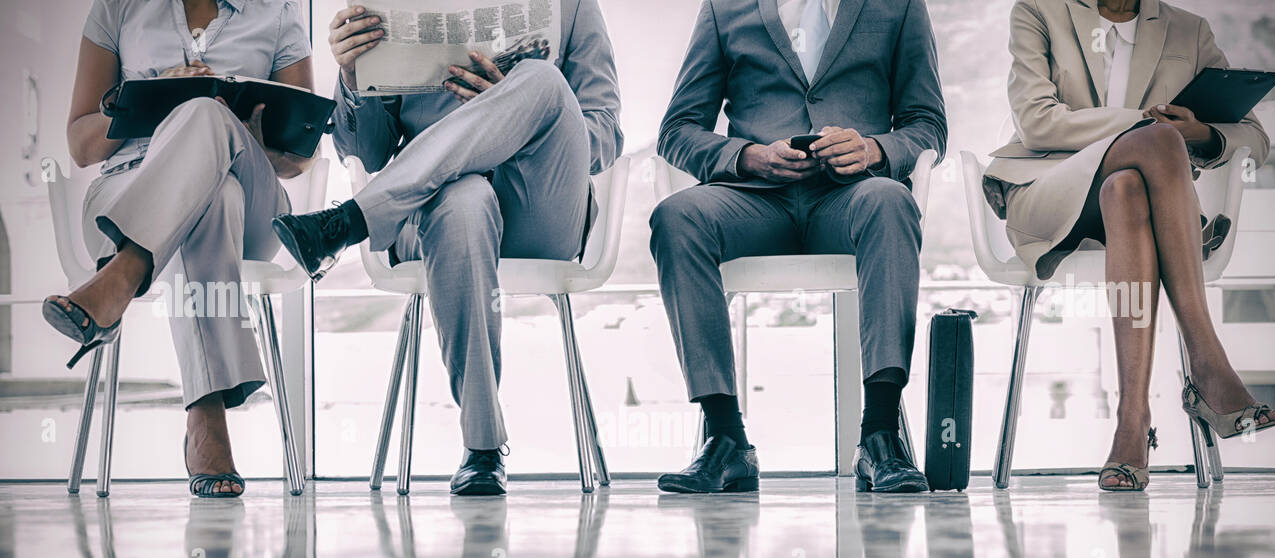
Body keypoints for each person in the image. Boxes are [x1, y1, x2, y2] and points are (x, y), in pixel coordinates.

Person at [273, 1, 623, 497]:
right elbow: (366, 152)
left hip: (539, 204)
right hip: (437, 209)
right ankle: (482, 447)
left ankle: (348, 222)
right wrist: (351, 77)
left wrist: (514, 107)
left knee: (541, 81)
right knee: (463, 203)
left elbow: (605, 131)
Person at [650, 0, 946, 495]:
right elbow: (677, 130)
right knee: (677, 217)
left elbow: (927, 123)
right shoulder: (725, 9)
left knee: (890, 200)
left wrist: (874, 149)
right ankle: (725, 439)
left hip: (851, 197)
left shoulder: (899, 6)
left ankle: (879, 436)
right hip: (755, 201)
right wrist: (747, 157)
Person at [984, 0, 1275, 492]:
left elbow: (1255, 138)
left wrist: (1200, 132)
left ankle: (1132, 424)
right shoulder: (1038, 11)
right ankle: (1208, 364)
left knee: (1125, 189)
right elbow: (1038, 122)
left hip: (1140, 200)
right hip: (1048, 189)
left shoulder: (1189, 30)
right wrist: (1148, 128)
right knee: (1158, 142)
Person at [43, 0, 315, 498]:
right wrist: (147, 103)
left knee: (209, 118)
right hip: (126, 190)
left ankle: (122, 274)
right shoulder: (117, 9)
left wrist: (250, 140)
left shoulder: (278, 12)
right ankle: (206, 422)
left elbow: (298, 156)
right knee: (214, 199)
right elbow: (81, 146)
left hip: (252, 196)